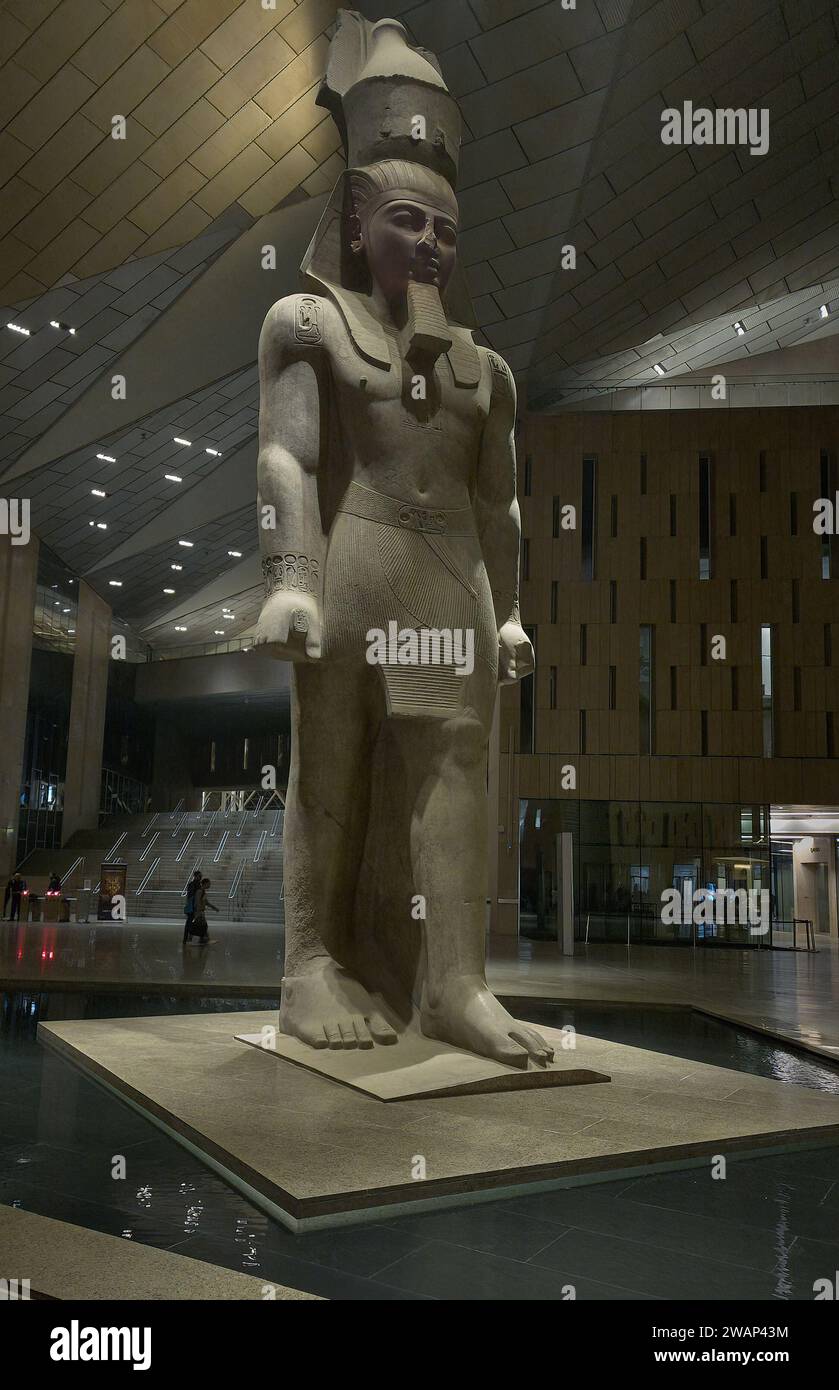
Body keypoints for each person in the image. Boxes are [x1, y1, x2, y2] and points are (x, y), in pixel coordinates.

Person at [188, 877, 219, 946]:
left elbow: (206, 902)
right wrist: (198, 912)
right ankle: (193, 939)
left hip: (201, 912)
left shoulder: (203, 892)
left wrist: (214, 908)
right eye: (209, 883)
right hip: (199, 912)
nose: (210, 885)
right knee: (199, 925)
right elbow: (197, 902)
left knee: (202, 926)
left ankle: (202, 939)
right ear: (205, 884)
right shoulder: (199, 891)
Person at [182, 869, 203, 944]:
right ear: (196, 876)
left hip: (192, 906)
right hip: (194, 906)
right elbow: (195, 896)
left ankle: (187, 938)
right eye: (199, 876)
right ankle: (199, 938)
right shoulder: (197, 885)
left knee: (190, 922)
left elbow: (189, 896)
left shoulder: (192, 884)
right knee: (196, 922)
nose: (200, 877)